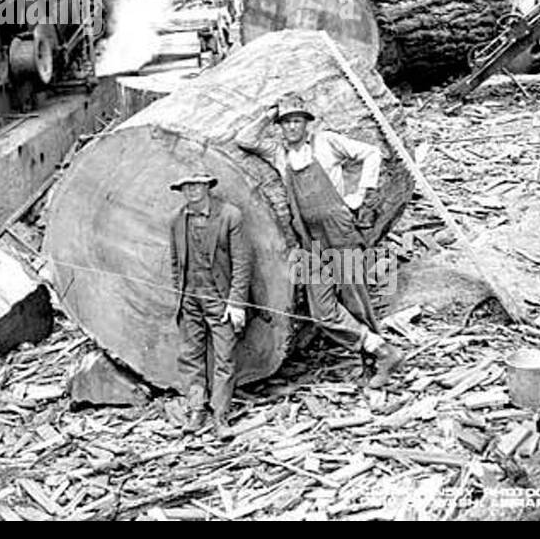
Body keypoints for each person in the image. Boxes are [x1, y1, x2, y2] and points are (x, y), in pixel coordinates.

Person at [237, 94, 404, 389]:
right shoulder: (279, 153)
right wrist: (267, 116)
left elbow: (371, 154)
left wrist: (359, 195)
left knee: (355, 299)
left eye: (296, 121)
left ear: (307, 124)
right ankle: (378, 348)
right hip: (310, 239)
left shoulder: (327, 142)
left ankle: (378, 361)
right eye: (285, 122)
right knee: (322, 312)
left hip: (340, 232)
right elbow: (245, 140)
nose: (291, 128)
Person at [169, 173, 251, 441]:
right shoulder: (177, 220)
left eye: (197, 184)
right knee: (191, 357)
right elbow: (175, 262)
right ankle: (196, 409)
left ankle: (220, 414)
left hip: (220, 297)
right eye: (186, 185)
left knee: (224, 357)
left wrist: (236, 303)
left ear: (207, 187)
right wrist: (180, 295)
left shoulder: (230, 216)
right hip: (190, 297)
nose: (191, 190)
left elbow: (241, 263)